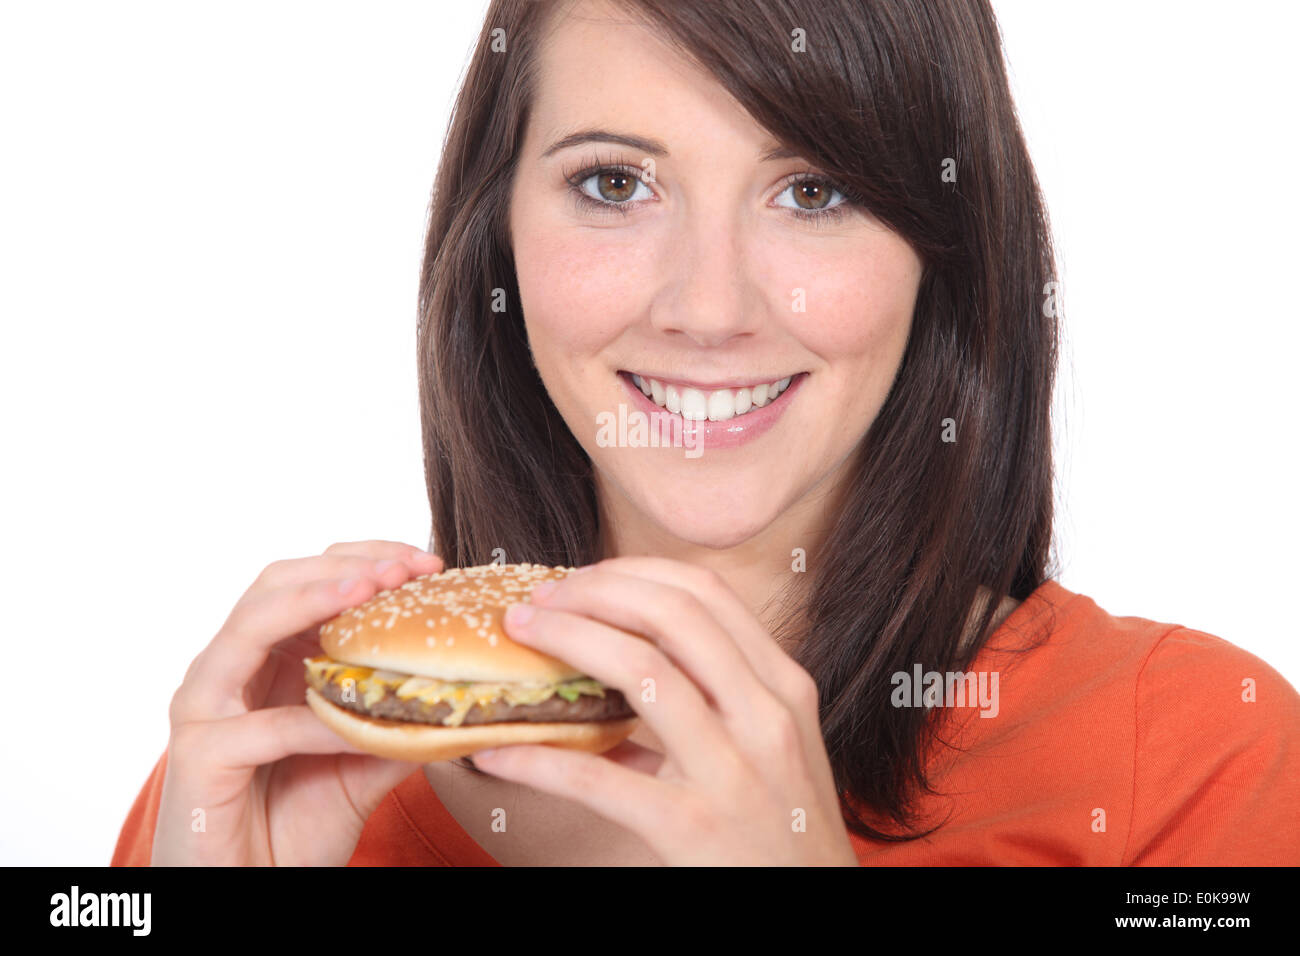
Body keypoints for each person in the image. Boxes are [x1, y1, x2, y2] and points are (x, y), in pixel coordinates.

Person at [112, 0, 1300, 866]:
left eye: (814, 191)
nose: (709, 307)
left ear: (944, 247)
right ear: (498, 239)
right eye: (616, 184)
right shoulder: (273, 767)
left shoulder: (1200, 762)